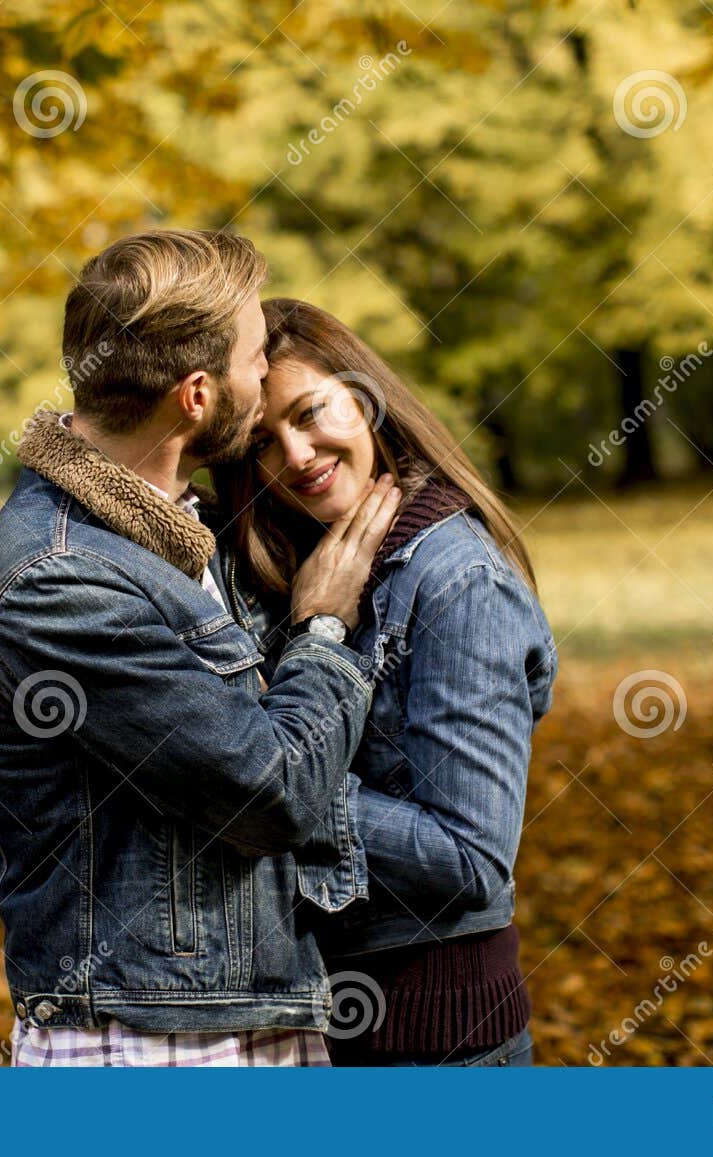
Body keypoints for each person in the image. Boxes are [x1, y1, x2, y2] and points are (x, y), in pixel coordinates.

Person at [0, 231, 401, 1066]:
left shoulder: (164, 533)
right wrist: (324, 630)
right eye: (257, 358)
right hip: (150, 1043)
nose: (267, 375)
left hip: (233, 1016)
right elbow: (273, 790)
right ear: (197, 395)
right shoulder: (60, 582)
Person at [214, 298, 558, 1066]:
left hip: (443, 1045)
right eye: (263, 442)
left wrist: (273, 782)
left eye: (312, 412)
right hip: (316, 1033)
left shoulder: (455, 581)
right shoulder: (298, 570)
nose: (297, 454)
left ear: (367, 400)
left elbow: (472, 855)